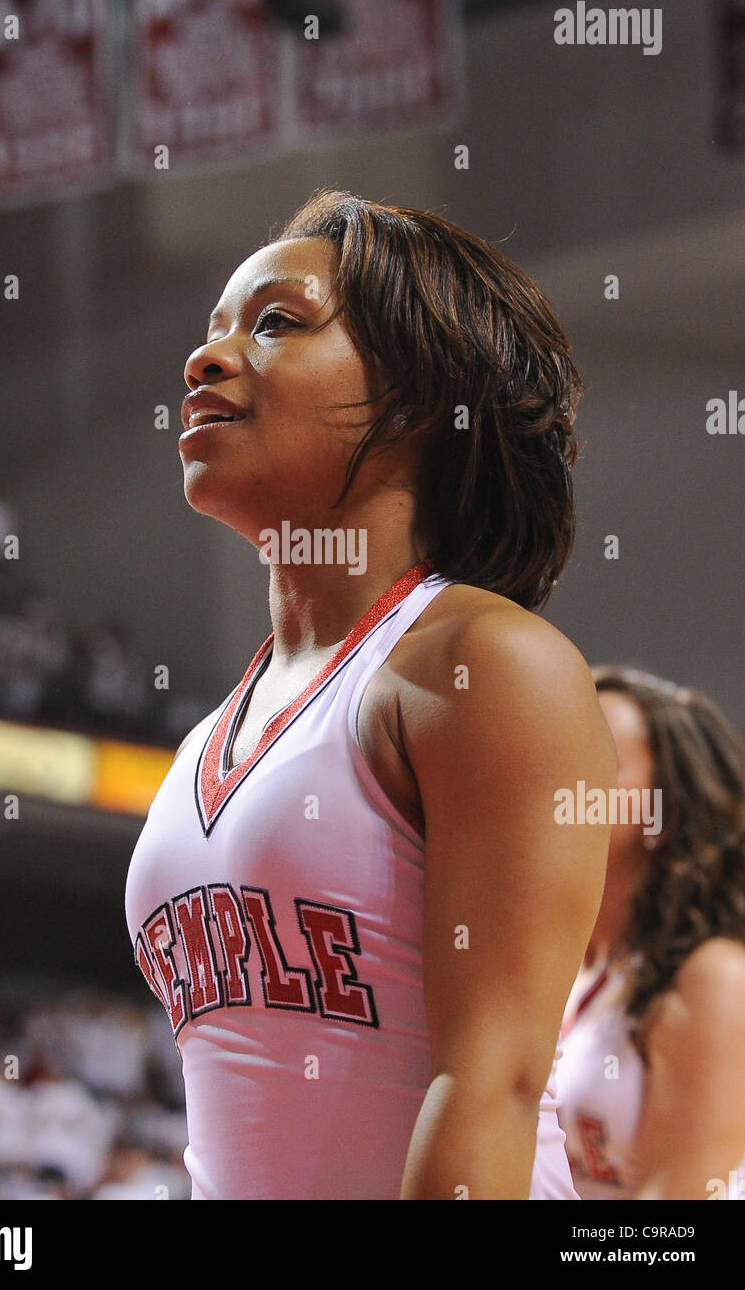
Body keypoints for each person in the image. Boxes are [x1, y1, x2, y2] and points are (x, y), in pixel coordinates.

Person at [124, 189, 617, 1199]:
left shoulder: (482, 661)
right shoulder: (205, 742)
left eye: (276, 323)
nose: (207, 359)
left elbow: (493, 1082)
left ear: (417, 397)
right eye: (214, 328)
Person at [556, 667, 745, 1199]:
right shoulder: (566, 961)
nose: (553, 782)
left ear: (668, 809)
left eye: (594, 762)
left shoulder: (713, 975)